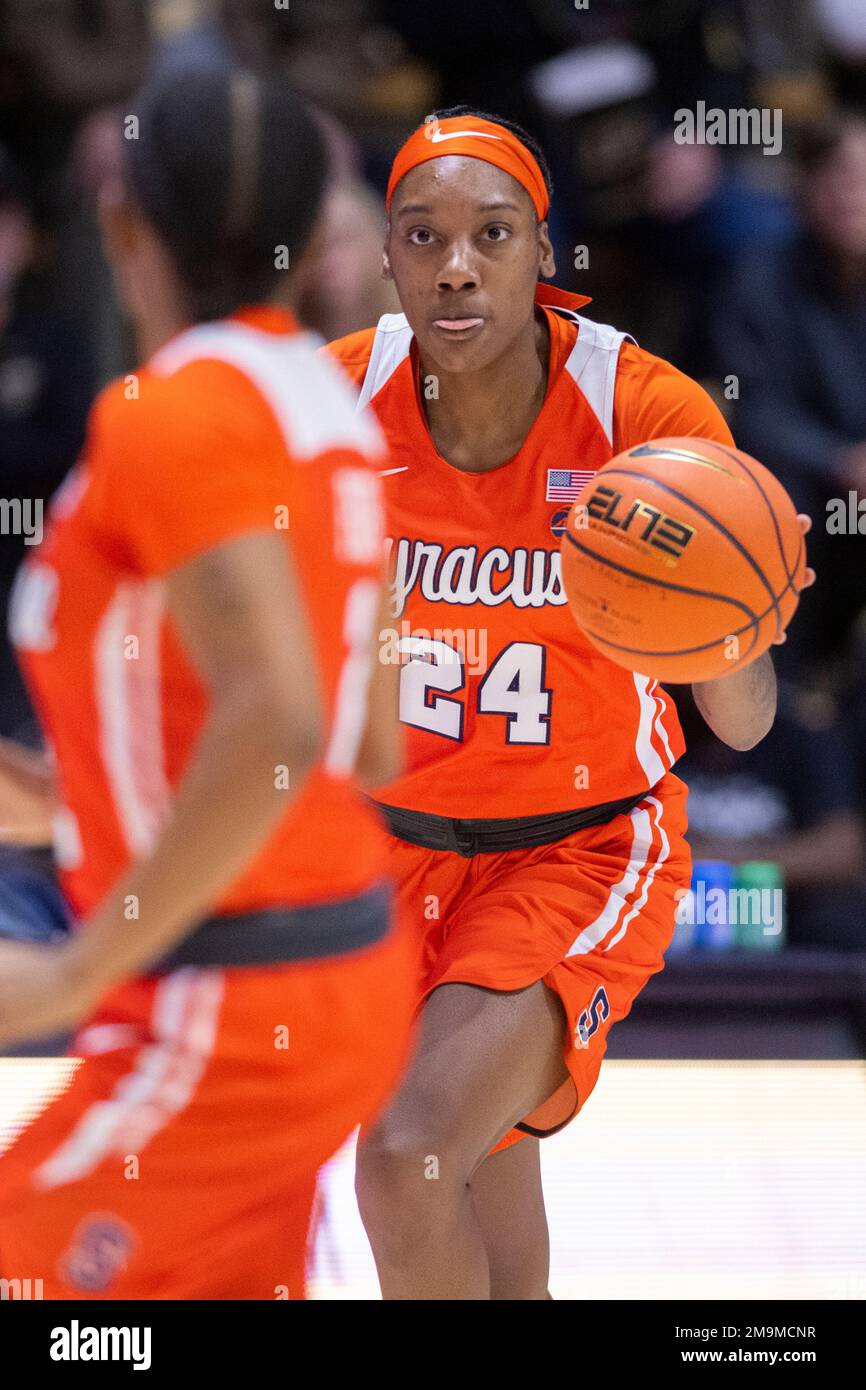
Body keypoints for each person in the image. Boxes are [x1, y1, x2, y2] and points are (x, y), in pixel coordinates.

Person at [324, 106, 813, 1299]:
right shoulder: (333, 406)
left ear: (542, 253)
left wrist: (718, 613)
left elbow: (741, 720)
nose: (455, 265)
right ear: (387, 258)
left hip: (581, 849)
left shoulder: (647, 417)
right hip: (388, 852)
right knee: (483, 1177)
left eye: (490, 233)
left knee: (403, 1155)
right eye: (422, 236)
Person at [0, 64, 414, 1299]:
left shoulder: (169, 416)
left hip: (225, 1003)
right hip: (325, 976)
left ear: (121, 221)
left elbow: (284, 720)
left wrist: (76, 968)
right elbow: (365, 745)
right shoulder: (328, 410)